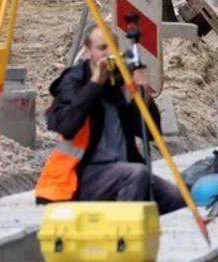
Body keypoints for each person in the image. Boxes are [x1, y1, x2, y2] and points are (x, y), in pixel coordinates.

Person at [34, 25, 184, 213]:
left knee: (176, 198)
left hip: (121, 170)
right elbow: (65, 125)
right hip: (80, 175)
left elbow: (151, 133)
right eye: (102, 48)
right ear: (88, 52)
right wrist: (95, 83)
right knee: (136, 174)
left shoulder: (119, 83)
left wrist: (143, 94)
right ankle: (123, 233)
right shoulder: (75, 80)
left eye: (113, 47)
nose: (108, 54)